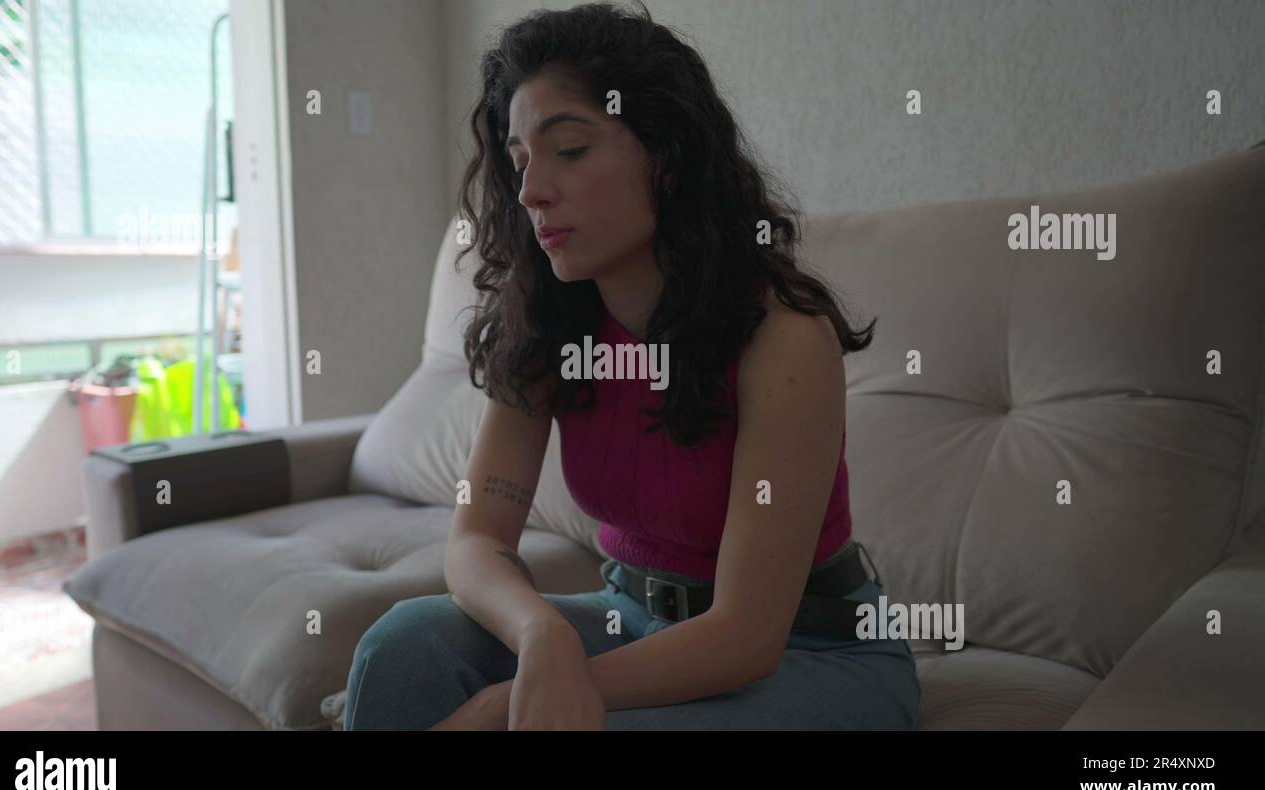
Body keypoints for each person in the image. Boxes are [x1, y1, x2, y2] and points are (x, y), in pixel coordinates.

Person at [344, 0, 920, 731]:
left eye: (571, 150)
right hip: (628, 617)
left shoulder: (782, 336)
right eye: (520, 163)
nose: (532, 192)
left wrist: (501, 704)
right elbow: (476, 540)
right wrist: (540, 632)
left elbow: (745, 635)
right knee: (402, 645)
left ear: (667, 154)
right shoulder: (552, 322)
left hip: (813, 649)